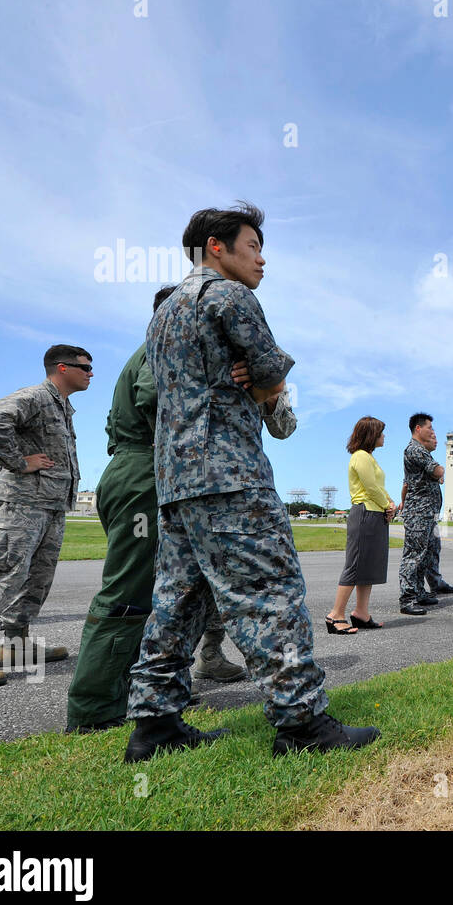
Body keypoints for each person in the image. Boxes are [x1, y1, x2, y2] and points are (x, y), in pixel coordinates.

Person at [123, 201, 378, 761]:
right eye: (253, 246)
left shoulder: (162, 314)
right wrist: (262, 387)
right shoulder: (229, 295)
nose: (263, 260)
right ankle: (302, 723)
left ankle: (155, 723)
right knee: (271, 594)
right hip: (229, 473)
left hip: (177, 480)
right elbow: (271, 372)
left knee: (178, 599)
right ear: (218, 246)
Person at [65, 286, 278, 733]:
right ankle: (96, 709)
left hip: (147, 468)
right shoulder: (160, 350)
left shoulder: (151, 351)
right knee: (130, 593)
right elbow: (152, 398)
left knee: (171, 593)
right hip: (147, 471)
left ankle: (145, 693)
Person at [0, 345, 91, 689]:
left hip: (48, 506)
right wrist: (20, 462)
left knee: (36, 580)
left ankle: (16, 645)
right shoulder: (36, 397)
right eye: (84, 366)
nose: (90, 373)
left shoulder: (61, 406)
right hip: (14, 507)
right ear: (62, 368)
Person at [327, 417, 396, 633]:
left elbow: (378, 486)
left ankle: (361, 613)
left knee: (368, 566)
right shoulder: (361, 457)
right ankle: (335, 615)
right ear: (371, 435)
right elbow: (370, 488)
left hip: (376, 515)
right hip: (365, 514)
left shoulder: (369, 457)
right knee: (355, 565)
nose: (384, 436)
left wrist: (390, 503)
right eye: (381, 432)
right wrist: (388, 505)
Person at [397, 413, 445, 615]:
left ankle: (419, 592)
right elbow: (438, 471)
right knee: (413, 555)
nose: (432, 431)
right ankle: (407, 598)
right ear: (418, 428)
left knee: (424, 555)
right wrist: (438, 471)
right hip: (418, 513)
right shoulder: (415, 450)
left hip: (428, 513)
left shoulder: (423, 451)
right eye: (429, 428)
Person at [399, 481, 453, 596]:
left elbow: (441, 479)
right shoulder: (417, 468)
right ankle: (416, 590)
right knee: (422, 552)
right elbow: (406, 486)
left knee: (435, 548)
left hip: (434, 516)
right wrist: (403, 503)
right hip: (422, 517)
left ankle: (437, 583)